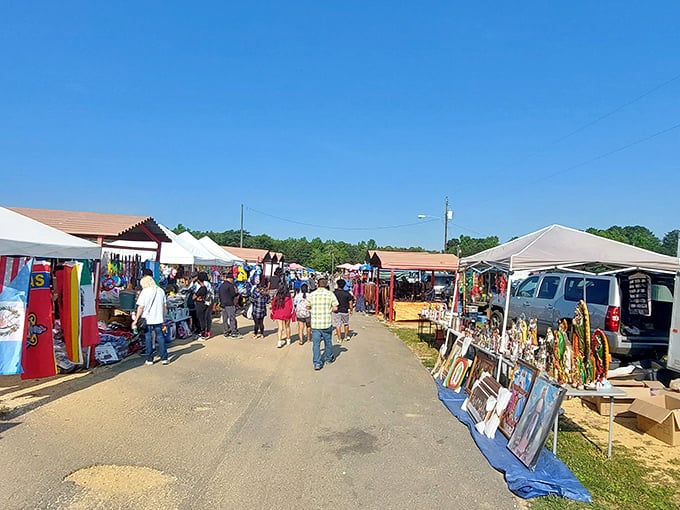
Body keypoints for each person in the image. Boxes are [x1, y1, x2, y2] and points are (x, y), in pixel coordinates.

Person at [131, 275, 168, 365]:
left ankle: (150, 359)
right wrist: (163, 317)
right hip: (158, 318)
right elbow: (164, 306)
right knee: (160, 337)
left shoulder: (145, 292)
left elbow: (141, 307)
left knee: (148, 338)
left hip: (147, 318)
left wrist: (136, 320)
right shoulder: (161, 291)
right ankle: (164, 358)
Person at [307, 277, 339, 370]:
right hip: (326, 323)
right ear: (326, 285)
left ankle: (317, 363)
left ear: (317, 284)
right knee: (328, 342)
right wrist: (329, 309)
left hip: (315, 323)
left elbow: (307, 306)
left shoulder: (312, 295)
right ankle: (328, 358)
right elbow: (336, 308)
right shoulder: (330, 294)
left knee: (316, 344)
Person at [270, 282, 294, 348]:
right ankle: (288, 340)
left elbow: (273, 305)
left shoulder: (277, 297)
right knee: (287, 327)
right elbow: (291, 306)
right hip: (287, 313)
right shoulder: (289, 297)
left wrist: (273, 312)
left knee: (280, 328)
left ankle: (279, 342)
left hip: (278, 313)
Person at [332, 278, 355, 343]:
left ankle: (339, 338)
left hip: (336, 311)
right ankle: (346, 337)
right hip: (345, 310)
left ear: (337, 285)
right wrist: (351, 310)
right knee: (346, 324)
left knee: (338, 325)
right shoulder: (347, 293)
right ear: (344, 285)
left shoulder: (334, 293)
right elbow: (350, 303)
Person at [218, 270, 240, 337]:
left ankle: (226, 331)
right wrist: (238, 293)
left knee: (224, 319)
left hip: (223, 304)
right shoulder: (230, 285)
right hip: (229, 304)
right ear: (230, 279)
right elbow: (233, 294)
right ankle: (233, 331)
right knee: (232, 318)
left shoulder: (221, 285)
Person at [192, 273, 212, 339]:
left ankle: (203, 333)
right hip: (206, 303)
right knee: (205, 318)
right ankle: (206, 332)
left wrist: (197, 297)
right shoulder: (207, 286)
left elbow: (194, 297)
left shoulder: (201, 288)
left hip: (200, 305)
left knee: (201, 319)